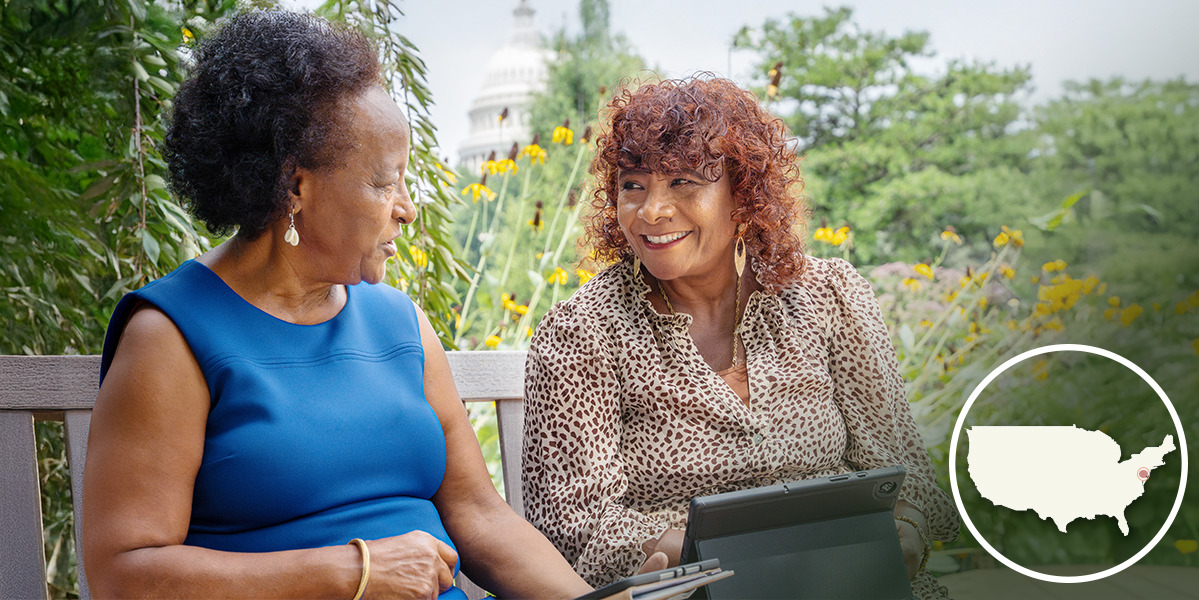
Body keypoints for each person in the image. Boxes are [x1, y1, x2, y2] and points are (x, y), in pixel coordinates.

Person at [82, 12, 592, 600]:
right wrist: (355, 571)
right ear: (295, 187)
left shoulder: (400, 323)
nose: (407, 208)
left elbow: (480, 517)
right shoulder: (170, 337)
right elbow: (124, 574)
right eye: (384, 182)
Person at [521, 77, 960, 599]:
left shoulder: (829, 296)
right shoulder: (582, 332)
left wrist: (906, 531)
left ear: (743, 195)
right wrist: (729, 561)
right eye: (633, 185)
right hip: (692, 589)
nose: (652, 210)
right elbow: (574, 523)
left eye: (683, 181)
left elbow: (903, 470)